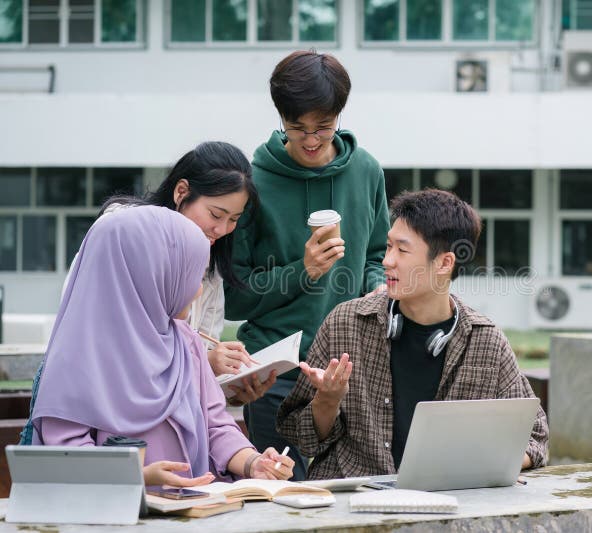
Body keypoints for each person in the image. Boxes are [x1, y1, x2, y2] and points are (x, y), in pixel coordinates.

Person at [276, 189, 549, 479]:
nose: (387, 261)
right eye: (388, 246)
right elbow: (300, 437)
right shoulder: (345, 323)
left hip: (445, 507)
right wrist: (327, 400)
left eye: (402, 250)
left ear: (445, 263)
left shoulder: (485, 340)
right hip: (352, 505)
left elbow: (536, 439)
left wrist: (477, 466)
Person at [20, 142, 271, 445]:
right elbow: (100, 342)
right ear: (181, 192)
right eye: (216, 214)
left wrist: (228, 383)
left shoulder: (209, 261)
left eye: (233, 219)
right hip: (101, 419)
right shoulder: (121, 235)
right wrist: (204, 362)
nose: (222, 229)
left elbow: (199, 380)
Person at [29, 206, 294, 486]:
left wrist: (254, 464)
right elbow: (66, 457)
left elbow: (215, 425)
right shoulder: (76, 357)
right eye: (189, 273)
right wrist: (139, 478)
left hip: (193, 513)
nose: (199, 289)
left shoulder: (184, 341)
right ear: (147, 274)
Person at [224, 50, 390, 480]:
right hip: (274, 371)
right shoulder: (252, 182)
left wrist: (374, 284)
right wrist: (304, 270)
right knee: (281, 496)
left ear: (339, 117)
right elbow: (233, 296)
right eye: (298, 129)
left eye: (323, 127)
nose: (311, 140)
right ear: (281, 119)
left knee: (358, 494)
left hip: (348, 365)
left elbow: (376, 255)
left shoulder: (367, 170)